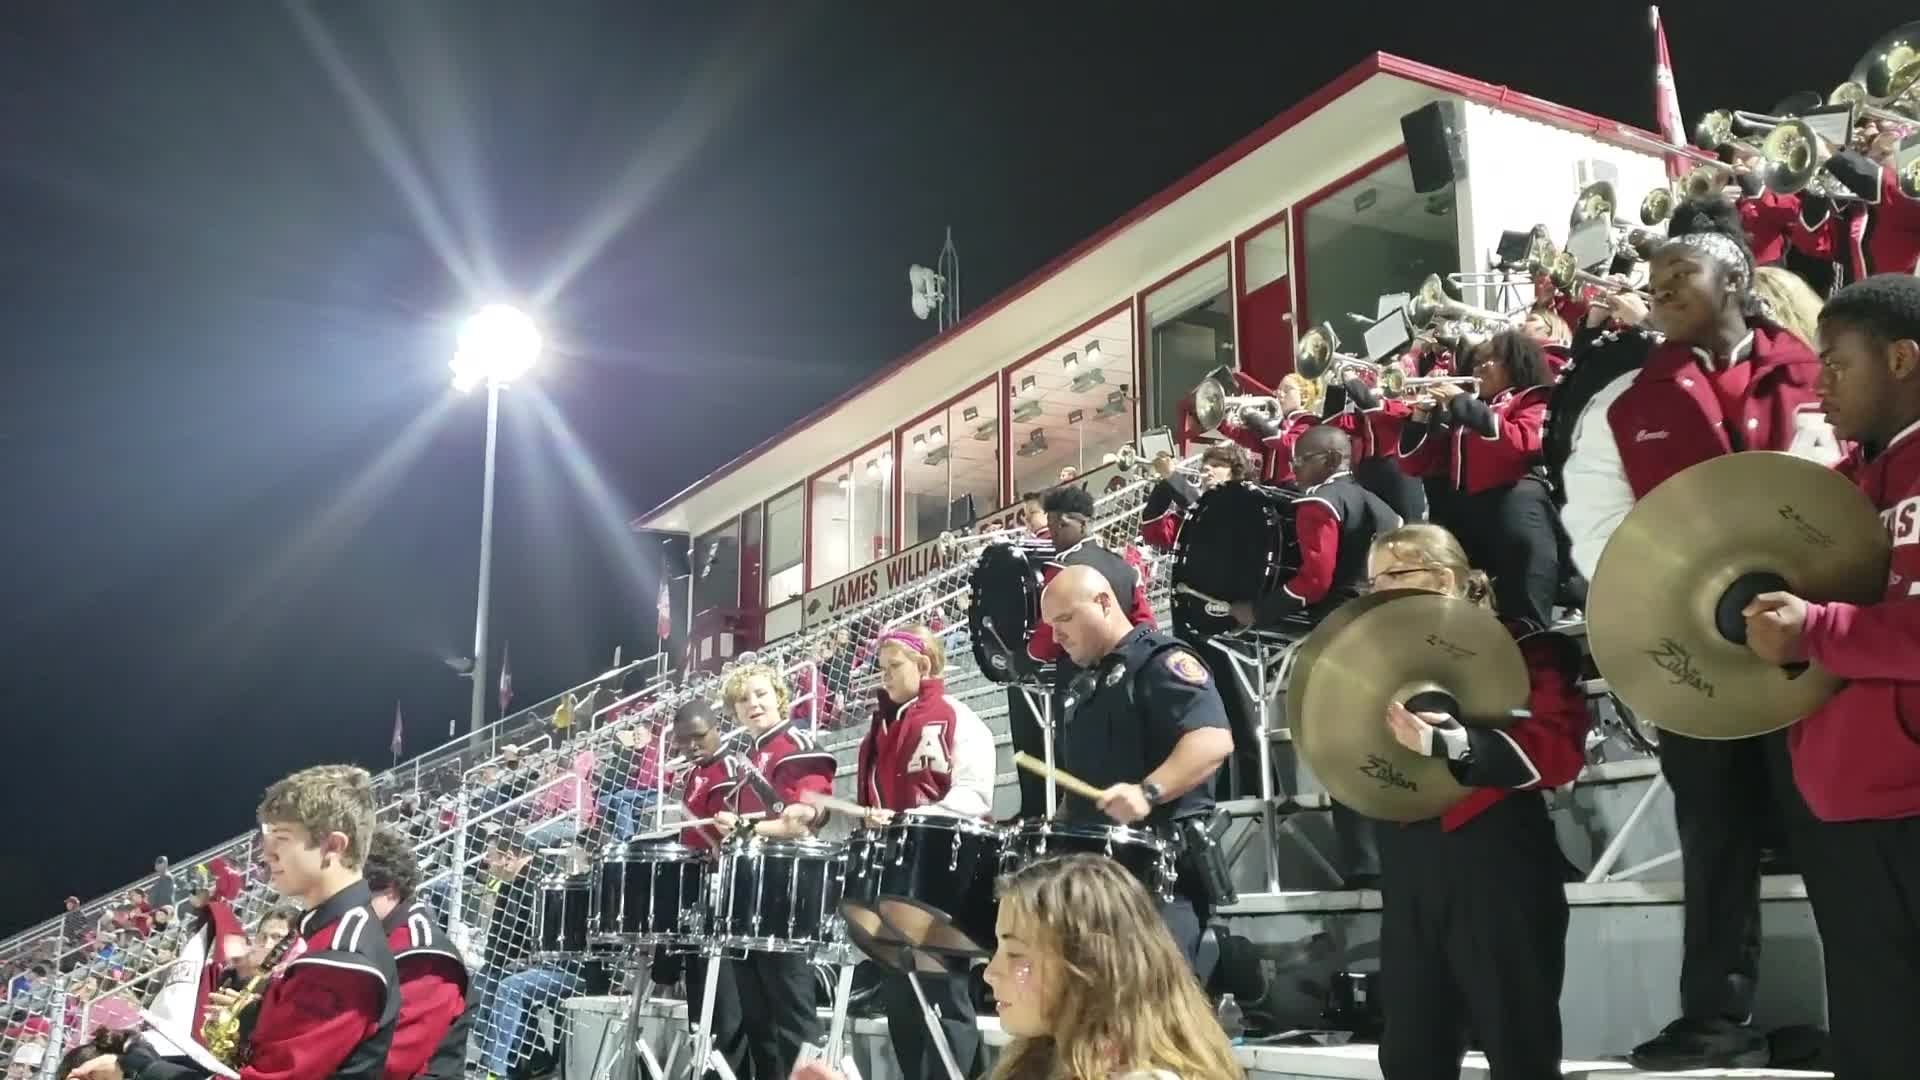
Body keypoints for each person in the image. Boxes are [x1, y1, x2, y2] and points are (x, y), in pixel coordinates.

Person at [1558, 195, 1842, 1071]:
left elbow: (1840, 479)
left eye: (1682, 275)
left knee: (1833, 830)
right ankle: (1714, 1014)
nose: (1662, 291)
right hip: (1699, 648)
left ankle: (1867, 1002)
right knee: (1713, 832)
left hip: (1816, 633)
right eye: (1655, 282)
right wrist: (1680, 595)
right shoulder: (1618, 401)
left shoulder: (1820, 368)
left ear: (1738, 280)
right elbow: (1599, 527)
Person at [1741, 274, 1920, 1080]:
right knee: (1875, 1040)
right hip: (1845, 803)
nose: (1821, 385)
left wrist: (1814, 628)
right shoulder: (1839, 486)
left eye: (1838, 365)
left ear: (1905, 359)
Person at [1364, 524, 1589, 1080]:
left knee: (1519, 1045)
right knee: (1411, 1054)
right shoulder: (1373, 666)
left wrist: (1455, 744)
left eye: (1390, 577)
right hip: (1410, 864)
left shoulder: (1528, 649)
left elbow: (1557, 753)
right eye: (1370, 583)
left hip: (1497, 863)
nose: (1374, 596)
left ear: (1442, 579)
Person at [74, 765, 400, 1080]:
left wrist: (138, 1070)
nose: (265, 855)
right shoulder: (329, 935)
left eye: (282, 839)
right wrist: (254, 1018)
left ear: (333, 846)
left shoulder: (342, 956)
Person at [1037, 564, 1233, 970]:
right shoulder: (1083, 687)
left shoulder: (1160, 661)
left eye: (1065, 619)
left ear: (1104, 603)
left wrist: (1148, 792)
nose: (1056, 636)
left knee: (1156, 1017)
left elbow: (1213, 740)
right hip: (1097, 884)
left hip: (1159, 879)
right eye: (1050, 625)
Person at [854, 625, 995, 1080]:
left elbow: (976, 796)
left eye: (894, 667)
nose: (885, 677)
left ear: (924, 664)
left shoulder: (957, 716)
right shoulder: (878, 730)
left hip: (938, 873)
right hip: (890, 873)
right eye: (881, 669)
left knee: (941, 994)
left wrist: (912, 817)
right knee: (901, 999)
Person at [715, 663, 836, 1080]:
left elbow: (801, 819)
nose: (754, 704)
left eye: (762, 694)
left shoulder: (798, 743)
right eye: (744, 699)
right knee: (757, 1019)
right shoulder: (744, 757)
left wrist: (746, 826)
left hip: (786, 890)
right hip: (746, 890)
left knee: (792, 1015)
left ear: (780, 696)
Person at [1397, 329, 1562, 626]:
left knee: (1523, 614)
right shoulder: (1466, 412)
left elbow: (1521, 443)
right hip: (1466, 515)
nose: (1479, 367)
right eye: (1477, 361)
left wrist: (1462, 403)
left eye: (1492, 359)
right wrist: (1421, 416)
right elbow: (1414, 464)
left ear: (1515, 364)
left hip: (1515, 507)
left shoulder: (1532, 399)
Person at [652, 699, 750, 1080]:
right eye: (683, 740)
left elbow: (730, 834)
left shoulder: (728, 767)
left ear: (717, 729)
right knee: (698, 994)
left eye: (699, 736)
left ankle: (727, 1071)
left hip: (721, 893)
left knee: (722, 999)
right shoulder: (695, 773)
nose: (691, 745)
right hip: (695, 890)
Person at [363, 828, 468, 1080]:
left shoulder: (423, 954)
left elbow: (394, 1060)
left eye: (356, 894)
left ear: (389, 889)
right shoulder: (370, 937)